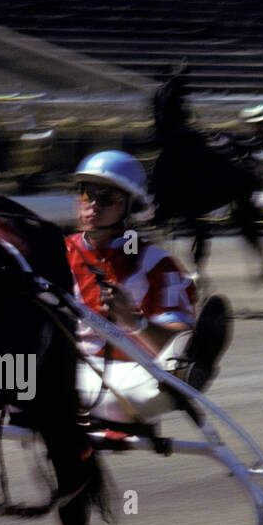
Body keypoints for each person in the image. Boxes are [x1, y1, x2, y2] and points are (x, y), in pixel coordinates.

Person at [65, 150, 232, 425]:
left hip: (128, 375)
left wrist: (134, 321)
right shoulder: (51, 253)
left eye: (106, 198)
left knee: (170, 363)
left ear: (130, 207)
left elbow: (174, 340)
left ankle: (184, 375)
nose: (92, 205)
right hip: (61, 368)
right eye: (86, 194)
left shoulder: (157, 265)